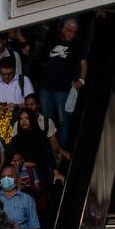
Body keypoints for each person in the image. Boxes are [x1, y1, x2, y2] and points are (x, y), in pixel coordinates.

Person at [40, 17, 88, 146]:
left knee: (63, 120)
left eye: (74, 32)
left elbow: (83, 63)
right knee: (46, 120)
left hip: (64, 88)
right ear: (63, 28)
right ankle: (48, 148)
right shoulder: (54, 39)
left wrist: (82, 80)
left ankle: (60, 149)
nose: (71, 34)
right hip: (47, 86)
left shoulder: (78, 44)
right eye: (69, 31)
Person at [0, 56, 35, 138]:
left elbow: (32, 105)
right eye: (3, 74)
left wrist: (16, 106)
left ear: (14, 70)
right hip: (0, 124)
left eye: (10, 73)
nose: (6, 76)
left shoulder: (24, 80)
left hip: (21, 122)